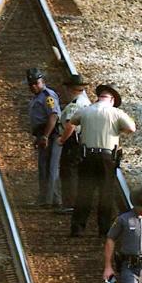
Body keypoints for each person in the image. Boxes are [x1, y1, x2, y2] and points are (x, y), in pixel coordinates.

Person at [64, 83, 136, 237]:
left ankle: (78, 228)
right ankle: (104, 230)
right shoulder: (116, 112)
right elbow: (131, 128)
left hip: (87, 156)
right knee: (105, 195)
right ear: (112, 100)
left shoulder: (86, 110)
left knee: (84, 192)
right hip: (107, 158)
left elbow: (73, 121)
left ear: (99, 97)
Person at [27, 69, 62, 207]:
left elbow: (53, 116)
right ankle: (48, 198)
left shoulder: (48, 95)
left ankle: (49, 200)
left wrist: (46, 136)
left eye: (36, 83)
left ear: (42, 81)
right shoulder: (37, 97)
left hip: (51, 134)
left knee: (51, 167)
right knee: (44, 167)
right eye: (31, 84)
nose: (34, 86)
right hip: (43, 133)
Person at [57, 77, 91, 212]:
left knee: (68, 172)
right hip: (83, 140)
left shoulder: (74, 105)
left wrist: (62, 139)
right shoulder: (86, 102)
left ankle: (69, 203)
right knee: (77, 172)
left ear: (70, 89)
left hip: (73, 141)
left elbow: (70, 125)